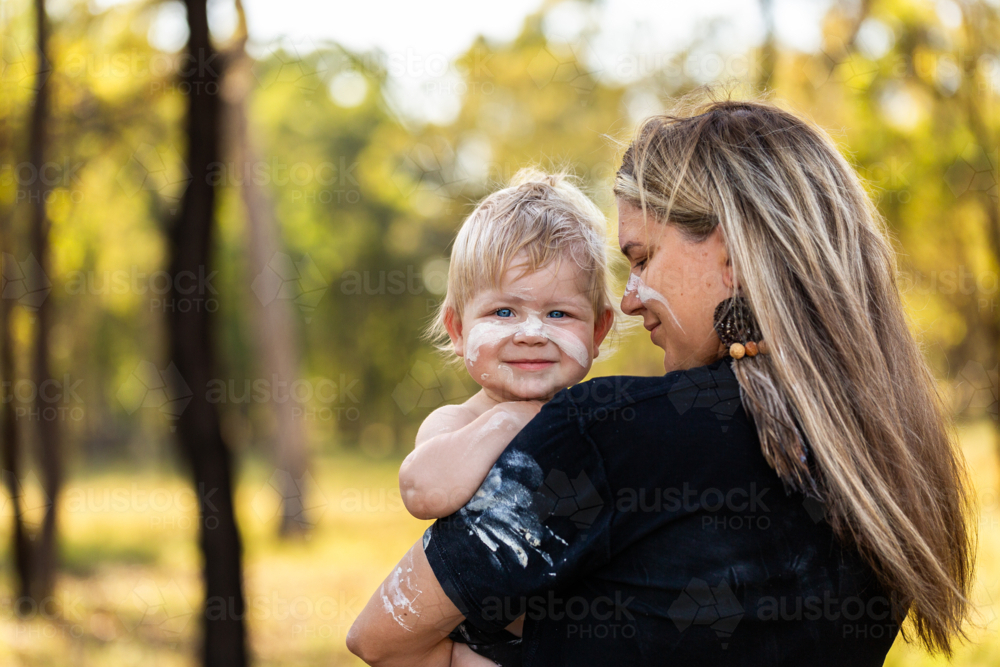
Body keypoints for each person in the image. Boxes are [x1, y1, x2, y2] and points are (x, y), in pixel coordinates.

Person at [347, 98, 975, 666]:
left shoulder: (605, 435)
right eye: (504, 311)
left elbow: (380, 637)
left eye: (643, 258)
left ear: (730, 256)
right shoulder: (884, 462)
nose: (630, 300)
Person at [396, 168, 616, 666]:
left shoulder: (603, 421)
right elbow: (421, 490)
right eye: (503, 313)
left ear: (599, 329)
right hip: (485, 646)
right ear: (456, 327)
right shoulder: (457, 421)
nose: (532, 333)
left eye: (559, 314)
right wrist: (508, 422)